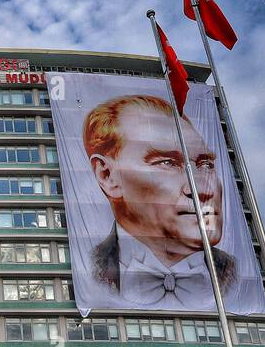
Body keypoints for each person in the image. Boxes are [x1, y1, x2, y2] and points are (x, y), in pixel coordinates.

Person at [81, 95, 238, 311]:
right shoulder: (87, 266)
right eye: (168, 163)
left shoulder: (239, 273)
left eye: (205, 164)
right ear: (107, 175)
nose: (202, 189)